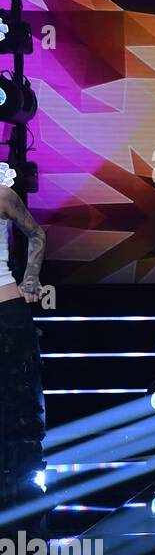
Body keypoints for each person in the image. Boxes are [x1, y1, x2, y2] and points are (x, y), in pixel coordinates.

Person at [0, 183, 46, 520]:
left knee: (18, 405)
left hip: (6, 311)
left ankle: (23, 498)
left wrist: (31, 279)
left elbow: (36, 233)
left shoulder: (3, 194)